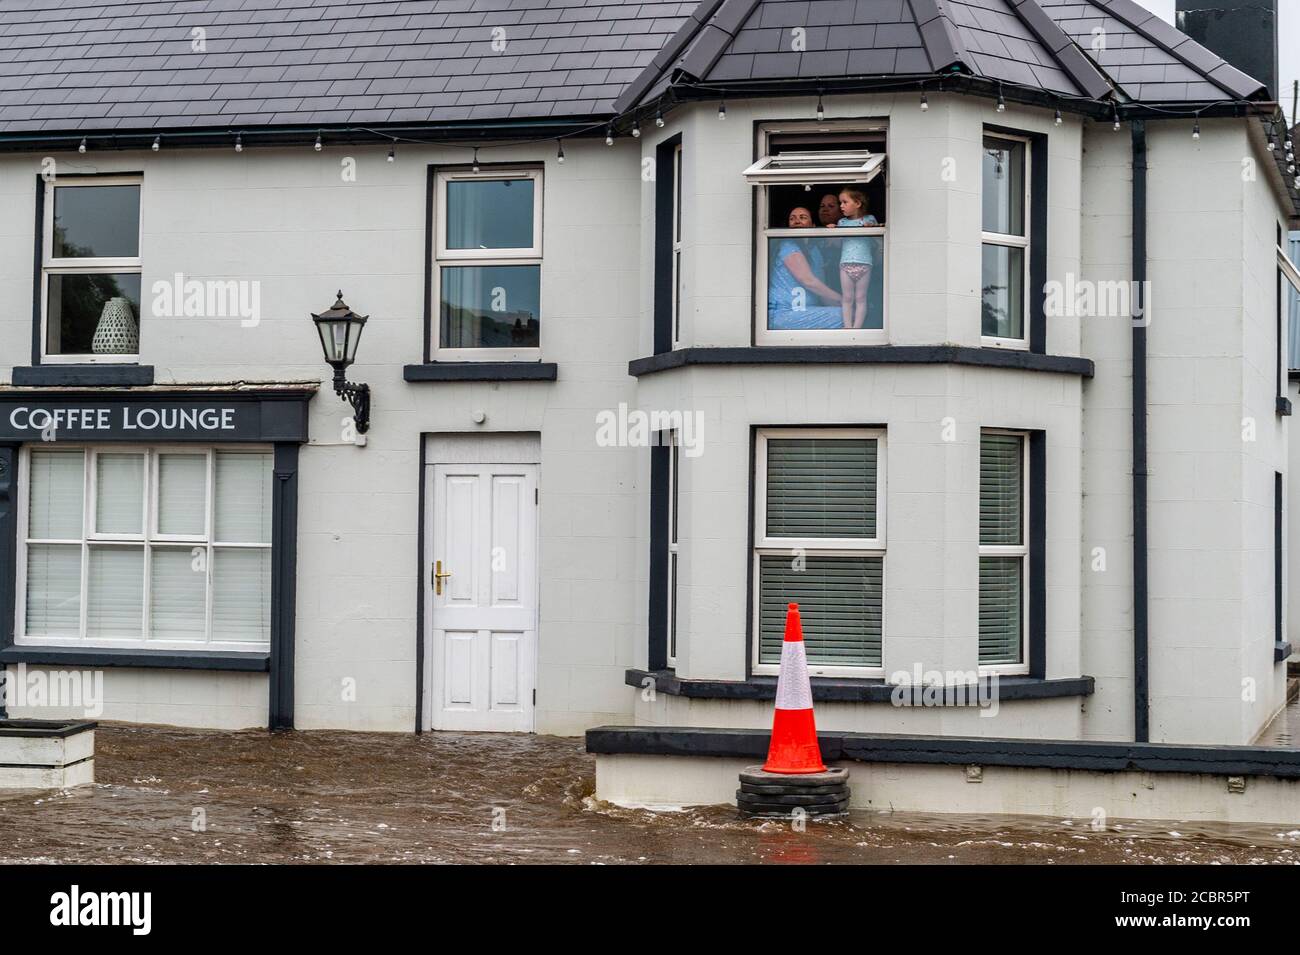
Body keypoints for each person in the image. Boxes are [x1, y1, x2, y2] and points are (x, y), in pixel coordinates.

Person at [767, 207, 843, 330]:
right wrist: (845, 301)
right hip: (784, 314)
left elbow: (821, 292)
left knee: (850, 315)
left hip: (807, 312)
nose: (796, 221)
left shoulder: (814, 252)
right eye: (792, 218)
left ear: (813, 225)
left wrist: (848, 306)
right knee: (845, 316)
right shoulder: (788, 245)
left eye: (803, 217)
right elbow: (809, 282)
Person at [828, 188, 878, 329]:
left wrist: (871, 229)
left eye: (845, 202)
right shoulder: (842, 222)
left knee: (861, 298)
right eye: (840, 202)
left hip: (865, 263)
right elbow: (838, 244)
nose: (841, 206)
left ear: (857, 203)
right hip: (845, 264)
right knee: (847, 298)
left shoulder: (869, 219)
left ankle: (857, 328)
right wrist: (833, 231)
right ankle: (847, 327)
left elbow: (877, 242)